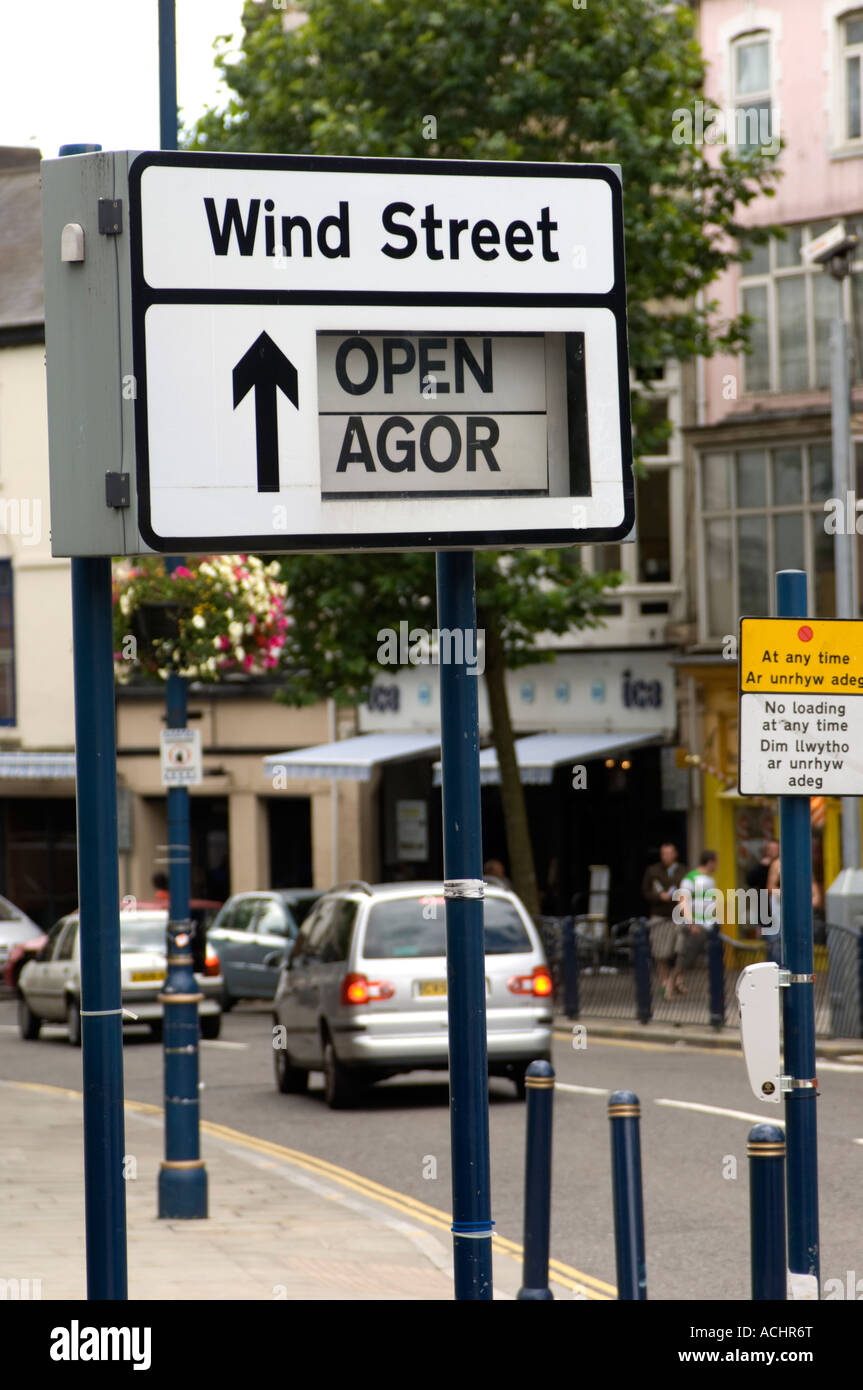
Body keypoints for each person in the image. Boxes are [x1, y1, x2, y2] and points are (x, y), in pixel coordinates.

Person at [670, 849, 718, 995]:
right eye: (716, 862)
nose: (717, 866)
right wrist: (691, 923)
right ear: (710, 862)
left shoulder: (710, 879)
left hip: (709, 924)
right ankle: (671, 985)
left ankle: (715, 990)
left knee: (713, 957)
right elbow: (683, 901)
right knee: (686, 957)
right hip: (697, 925)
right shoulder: (691, 878)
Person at [641, 842, 686, 996]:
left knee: (680, 950)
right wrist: (659, 896)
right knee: (660, 952)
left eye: (669, 853)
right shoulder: (652, 871)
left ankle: (677, 980)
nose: (665, 857)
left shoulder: (683, 871)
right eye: (663, 854)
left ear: (675, 854)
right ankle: (665, 981)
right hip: (660, 916)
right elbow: (645, 892)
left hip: (678, 915)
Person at [746, 839, 779, 939]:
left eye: (775, 849)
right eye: (770, 849)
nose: (772, 851)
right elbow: (750, 880)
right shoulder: (762, 866)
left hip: (780, 909)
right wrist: (761, 866)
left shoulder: (782, 866)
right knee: (770, 943)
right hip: (765, 910)